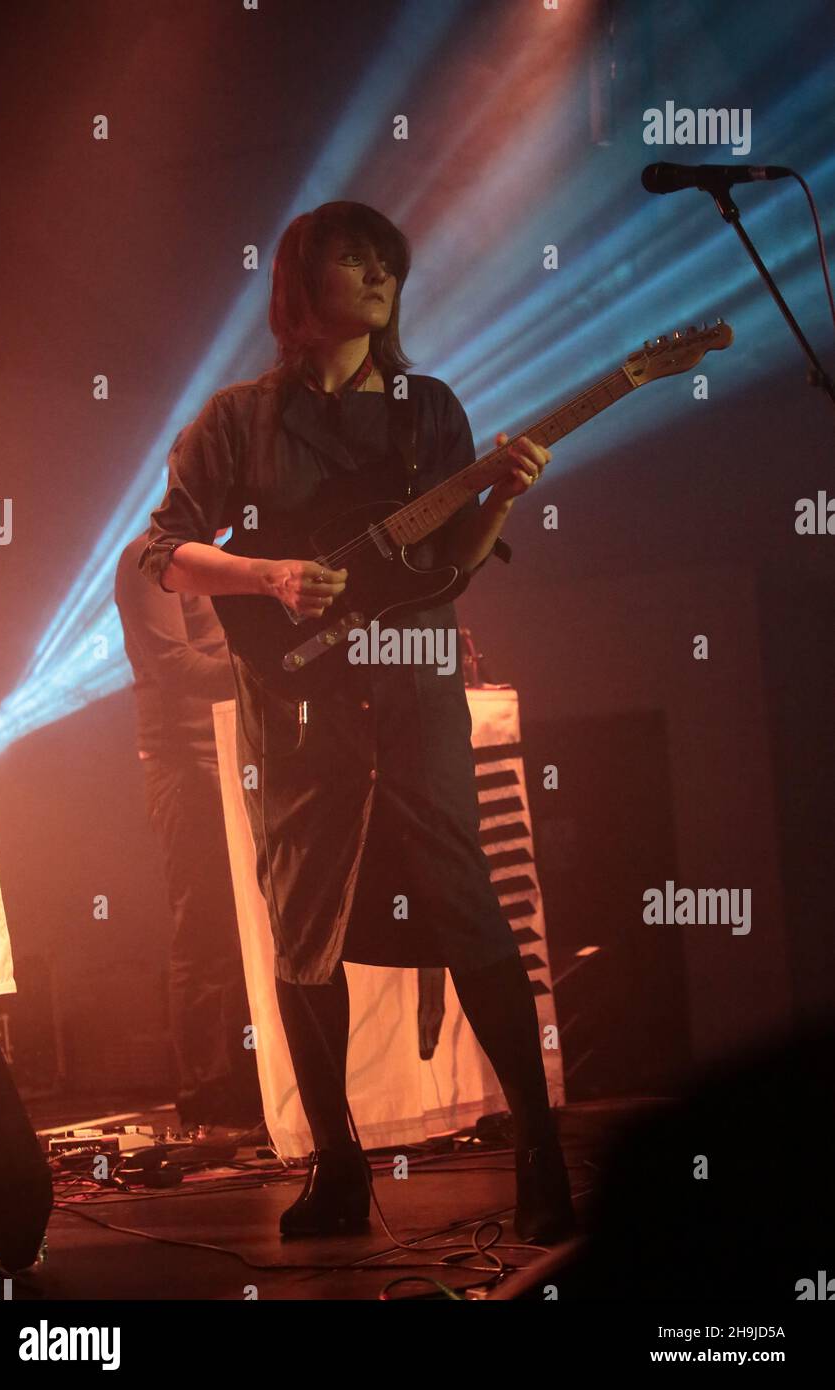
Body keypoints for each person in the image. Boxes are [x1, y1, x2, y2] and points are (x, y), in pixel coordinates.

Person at [138, 200, 575, 1242]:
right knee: (306, 937)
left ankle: (541, 1156)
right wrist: (268, 576)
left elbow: (452, 565)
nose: (378, 275)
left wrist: (503, 498)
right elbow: (164, 549)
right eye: (353, 257)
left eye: (387, 260)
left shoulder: (431, 412)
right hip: (298, 709)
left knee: (471, 914)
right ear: (299, 283)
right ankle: (338, 1167)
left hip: (416, 694)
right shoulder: (235, 419)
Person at [115, 496, 264, 1140]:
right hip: (185, 764)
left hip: (239, 753)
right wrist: (265, 673)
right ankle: (206, 1095)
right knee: (204, 932)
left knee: (247, 931)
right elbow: (170, 665)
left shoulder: (223, 553)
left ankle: (251, 1084)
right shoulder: (144, 559)